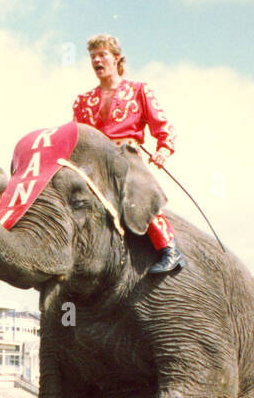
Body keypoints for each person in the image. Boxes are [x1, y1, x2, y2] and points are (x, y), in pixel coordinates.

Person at [73, 34, 184, 273]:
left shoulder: (139, 90)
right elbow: (76, 138)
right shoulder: (83, 101)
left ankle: (169, 249)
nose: (96, 60)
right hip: (94, 162)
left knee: (139, 194)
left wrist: (163, 150)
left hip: (127, 155)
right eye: (93, 56)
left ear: (116, 59)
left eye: (102, 55)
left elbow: (163, 127)